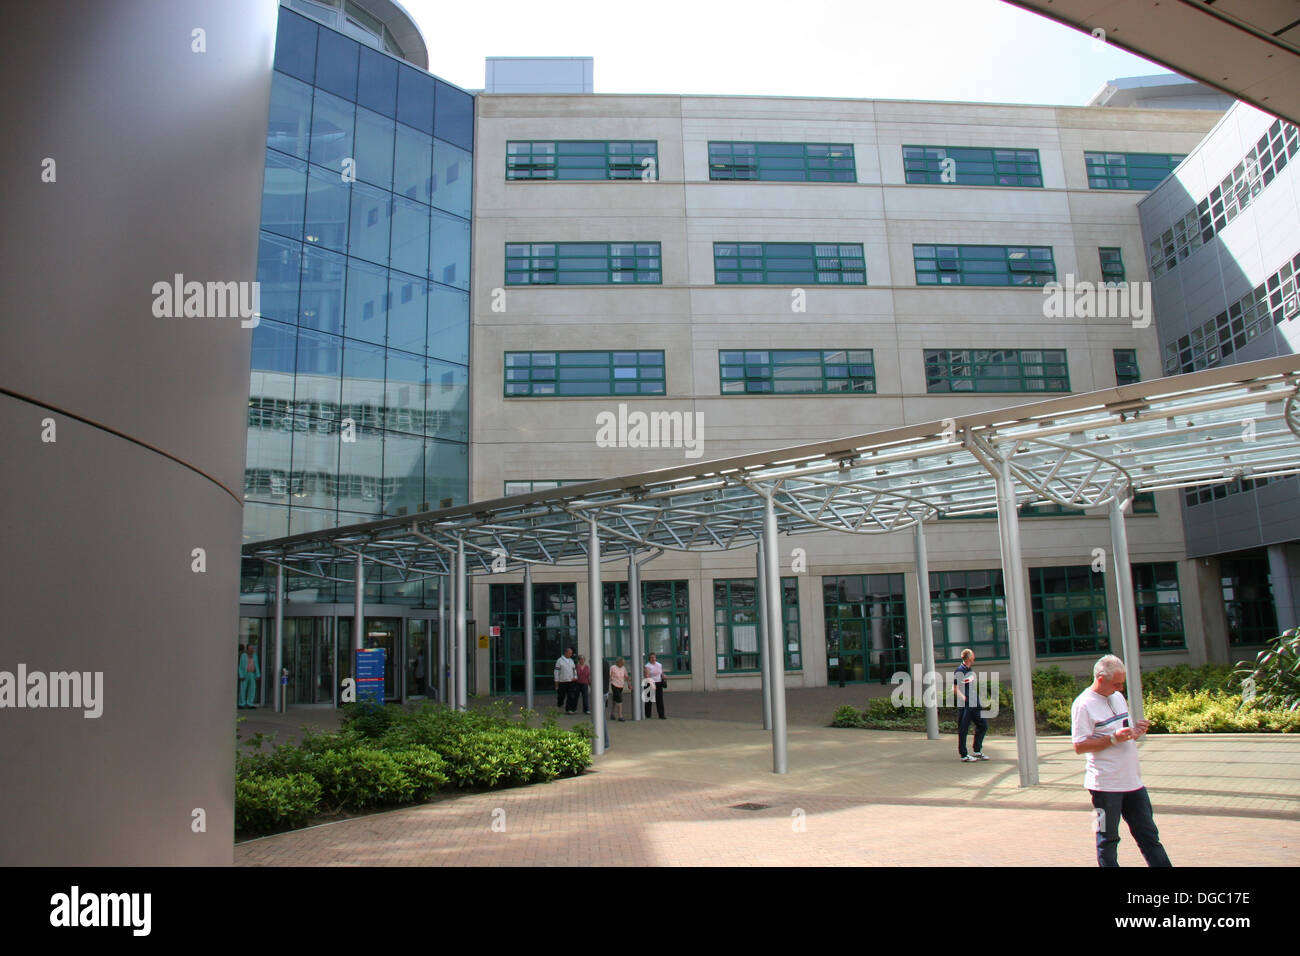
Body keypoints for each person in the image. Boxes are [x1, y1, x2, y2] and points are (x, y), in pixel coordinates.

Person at [1071, 654, 1171, 867]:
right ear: (1100, 678)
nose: (1120, 688)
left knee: (1149, 837)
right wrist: (1113, 738)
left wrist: (1134, 732)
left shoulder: (1116, 697)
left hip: (1133, 783)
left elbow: (1122, 730)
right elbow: (1079, 746)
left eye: (1121, 683)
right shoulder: (1083, 704)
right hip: (1104, 787)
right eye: (1116, 683)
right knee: (1108, 839)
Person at [953, 648, 988, 761]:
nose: (974, 658)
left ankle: (977, 750)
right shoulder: (959, 671)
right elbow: (955, 689)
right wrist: (965, 699)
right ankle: (964, 755)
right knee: (963, 729)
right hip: (966, 706)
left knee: (983, 725)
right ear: (968, 658)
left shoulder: (969, 669)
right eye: (973, 656)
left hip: (975, 704)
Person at [554, 647, 577, 713]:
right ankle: (559, 706)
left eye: (571, 653)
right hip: (562, 682)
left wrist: (575, 676)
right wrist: (556, 681)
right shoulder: (559, 660)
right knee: (561, 696)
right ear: (566, 653)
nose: (571, 654)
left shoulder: (571, 661)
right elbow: (556, 672)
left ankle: (568, 709)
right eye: (570, 653)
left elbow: (574, 670)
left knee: (571, 696)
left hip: (570, 681)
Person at [238, 643, 260, 709]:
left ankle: (250, 703)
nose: (252, 650)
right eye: (250, 649)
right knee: (243, 689)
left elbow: (257, 665)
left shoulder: (255, 656)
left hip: (252, 674)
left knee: (252, 688)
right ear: (247, 649)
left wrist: (258, 674)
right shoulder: (243, 656)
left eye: (252, 649)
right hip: (245, 673)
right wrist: (241, 675)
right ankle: (242, 703)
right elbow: (240, 666)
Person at [644, 652, 665, 719]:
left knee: (659, 699)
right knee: (649, 699)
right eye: (651, 657)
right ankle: (648, 714)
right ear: (649, 659)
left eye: (654, 657)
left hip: (658, 683)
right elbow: (647, 675)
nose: (653, 659)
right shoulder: (647, 666)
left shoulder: (659, 664)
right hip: (650, 683)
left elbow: (661, 673)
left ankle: (661, 715)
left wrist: (664, 676)